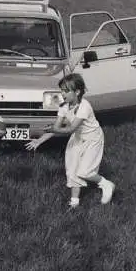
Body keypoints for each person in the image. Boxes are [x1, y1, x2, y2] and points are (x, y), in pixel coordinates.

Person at [25, 73, 115, 208]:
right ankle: (74, 203)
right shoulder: (63, 107)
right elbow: (57, 127)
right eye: (62, 90)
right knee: (72, 170)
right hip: (77, 138)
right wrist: (39, 141)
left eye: (66, 91)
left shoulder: (85, 106)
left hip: (93, 139)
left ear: (77, 92)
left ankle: (106, 184)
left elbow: (69, 129)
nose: (63, 94)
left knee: (85, 172)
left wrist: (51, 130)